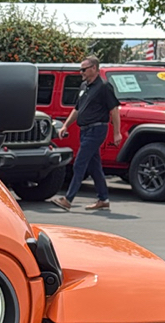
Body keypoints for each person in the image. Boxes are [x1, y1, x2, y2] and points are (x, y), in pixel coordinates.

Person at [51, 57, 122, 211]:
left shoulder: (104, 87)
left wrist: (117, 133)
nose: (81, 72)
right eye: (80, 69)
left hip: (97, 129)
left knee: (79, 163)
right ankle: (103, 199)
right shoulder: (84, 86)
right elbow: (77, 109)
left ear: (94, 68)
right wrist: (65, 126)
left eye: (84, 69)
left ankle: (68, 199)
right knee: (94, 165)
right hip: (85, 130)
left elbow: (114, 109)